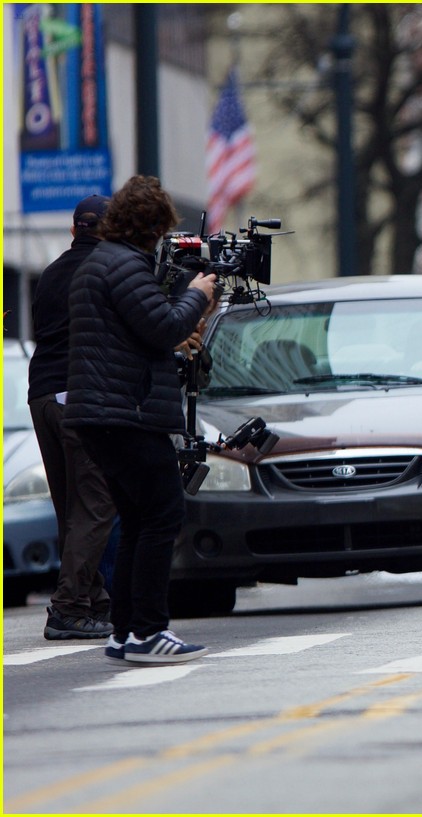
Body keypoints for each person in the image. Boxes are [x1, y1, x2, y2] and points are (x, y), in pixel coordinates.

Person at [64, 175, 217, 664]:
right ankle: (149, 631)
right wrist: (197, 294)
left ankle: (125, 631)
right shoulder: (125, 266)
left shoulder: (99, 263)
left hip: (102, 412)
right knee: (163, 515)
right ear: (151, 226)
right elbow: (165, 328)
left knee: (136, 520)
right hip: (124, 413)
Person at [27, 195, 119, 640]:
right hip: (76, 397)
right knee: (98, 505)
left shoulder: (50, 274)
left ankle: (93, 601)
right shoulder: (104, 271)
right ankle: (67, 607)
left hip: (41, 396)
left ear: (73, 231)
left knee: (72, 509)